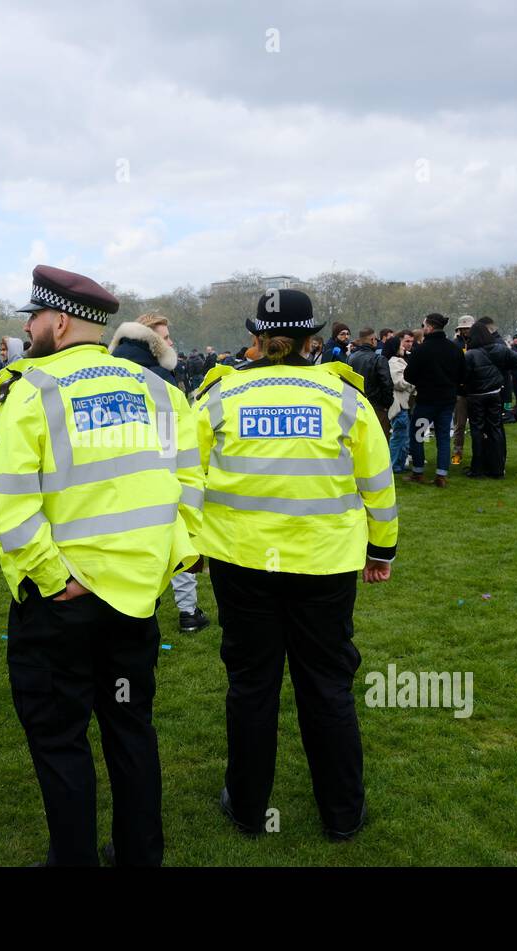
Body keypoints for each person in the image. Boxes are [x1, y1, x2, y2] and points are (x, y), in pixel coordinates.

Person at [0, 265, 201, 866]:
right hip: (134, 597)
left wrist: (55, 580)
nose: (28, 327)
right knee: (131, 730)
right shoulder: (159, 389)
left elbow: (8, 509)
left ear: (62, 320)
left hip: (61, 605)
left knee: (60, 742)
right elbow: (191, 483)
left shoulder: (33, 390)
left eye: (34, 317)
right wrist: (171, 559)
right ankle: (139, 856)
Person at [193, 288, 395, 843]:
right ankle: (342, 813)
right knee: (327, 686)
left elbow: (187, 477)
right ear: (315, 339)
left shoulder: (218, 394)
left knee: (251, 685)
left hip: (240, 561)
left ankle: (249, 807)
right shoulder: (342, 394)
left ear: (255, 339)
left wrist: (190, 549)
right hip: (325, 562)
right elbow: (377, 479)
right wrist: (382, 549)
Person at [109, 311, 211, 634]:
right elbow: (170, 446)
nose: (171, 343)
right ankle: (188, 610)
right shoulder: (159, 381)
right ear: (150, 343)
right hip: (156, 477)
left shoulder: (106, 375)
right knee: (174, 538)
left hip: (116, 481)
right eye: (164, 338)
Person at [403, 313, 465, 487]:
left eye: (423, 326)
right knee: (443, 437)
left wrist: (423, 382)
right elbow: (462, 374)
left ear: (429, 327)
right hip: (447, 401)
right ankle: (441, 475)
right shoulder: (454, 349)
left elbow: (409, 375)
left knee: (418, 436)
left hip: (426, 401)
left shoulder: (421, 350)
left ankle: (418, 472)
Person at [461, 320, 517, 478]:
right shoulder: (500, 349)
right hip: (495, 394)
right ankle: (497, 467)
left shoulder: (470, 354)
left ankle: (478, 467)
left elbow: (463, 376)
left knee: (477, 430)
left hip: (475, 396)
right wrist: (502, 373)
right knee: (495, 429)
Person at [345, 328, 394, 438]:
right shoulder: (379, 359)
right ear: (372, 340)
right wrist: (386, 404)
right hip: (376, 406)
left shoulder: (350, 358)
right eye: (375, 339)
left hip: (356, 405)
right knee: (380, 440)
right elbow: (387, 384)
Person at [386, 330, 415, 473]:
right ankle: (393, 465)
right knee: (398, 437)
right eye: (401, 345)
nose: (404, 347)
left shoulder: (400, 361)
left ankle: (400, 464)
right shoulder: (393, 362)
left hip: (404, 403)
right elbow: (398, 382)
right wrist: (413, 380)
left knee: (404, 437)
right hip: (398, 405)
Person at [450, 315, 474, 463]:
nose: (465, 331)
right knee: (459, 425)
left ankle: (479, 453)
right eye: (463, 328)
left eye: (468, 328)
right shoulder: (454, 344)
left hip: (476, 390)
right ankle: (457, 452)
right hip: (459, 391)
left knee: (478, 424)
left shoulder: (478, 343)